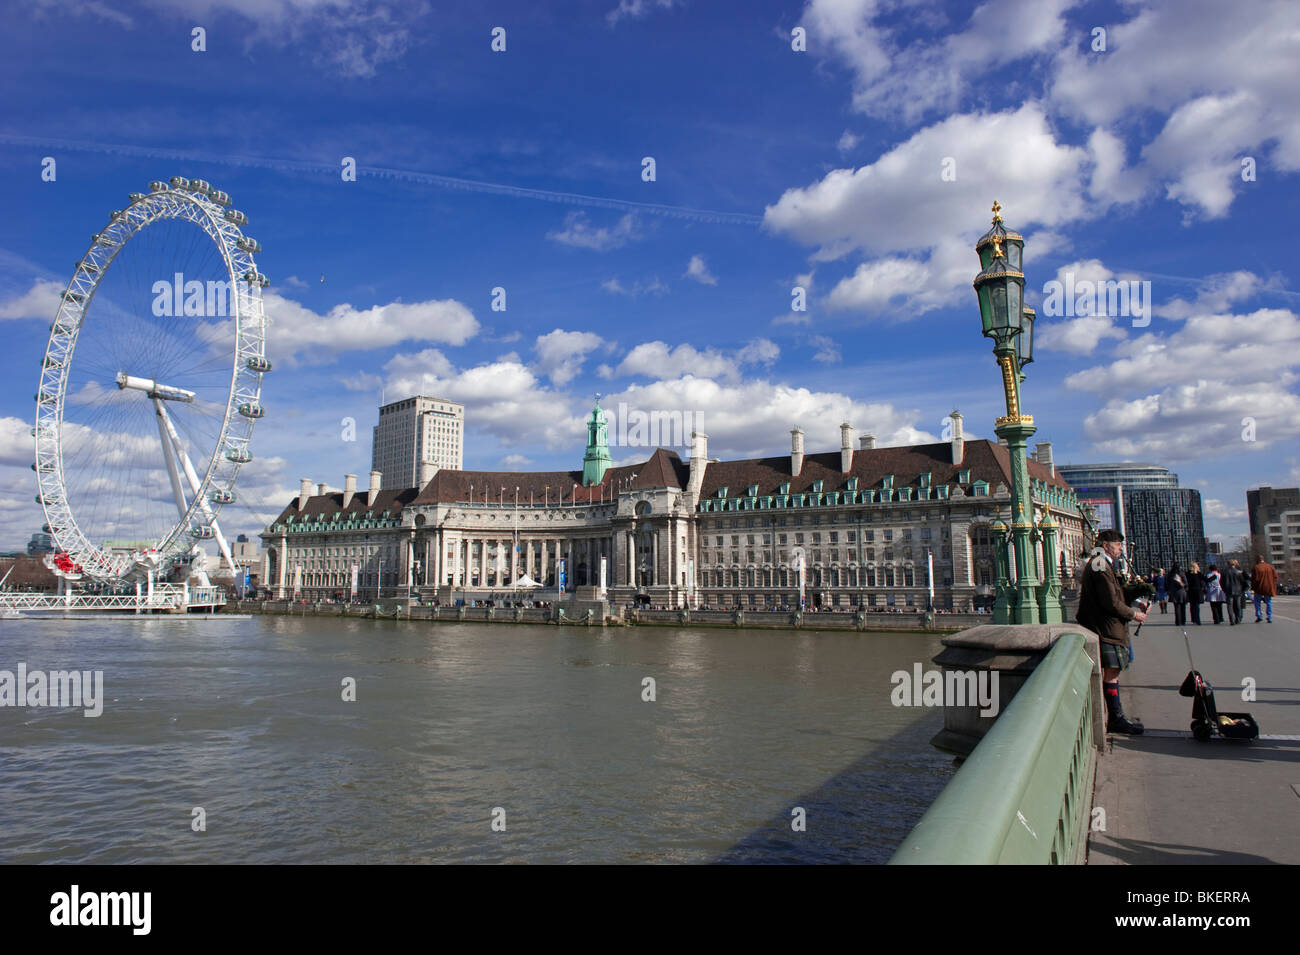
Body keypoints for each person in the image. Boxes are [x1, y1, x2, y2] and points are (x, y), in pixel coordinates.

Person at [1076, 529, 1147, 735]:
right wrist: (1134, 615)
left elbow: (1115, 592)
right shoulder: (1099, 564)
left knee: (1112, 674)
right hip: (1105, 627)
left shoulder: (1102, 562)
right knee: (1111, 673)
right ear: (1106, 545)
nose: (1121, 549)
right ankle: (1116, 718)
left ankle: (1117, 717)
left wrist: (1136, 601)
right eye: (1118, 545)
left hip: (1107, 626)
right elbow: (1110, 601)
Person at [1251, 556, 1278, 623]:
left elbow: (1253, 579)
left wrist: (1253, 587)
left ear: (1258, 560)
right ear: (1263, 560)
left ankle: (1259, 615)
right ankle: (1270, 617)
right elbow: (1275, 577)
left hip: (1259, 587)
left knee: (1257, 602)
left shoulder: (1256, 567)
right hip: (1268, 587)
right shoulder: (1270, 567)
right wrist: (1273, 585)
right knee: (1268, 602)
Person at [1222, 559, 1246, 625]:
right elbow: (1243, 582)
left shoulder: (1224, 572)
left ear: (1228, 564)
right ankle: (1237, 619)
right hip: (1238, 591)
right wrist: (1242, 589)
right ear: (1234, 564)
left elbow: (1222, 582)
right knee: (1237, 605)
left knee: (1229, 606)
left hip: (1228, 591)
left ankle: (1231, 619)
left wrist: (1224, 589)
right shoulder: (1238, 572)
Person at [1167, 562, 1188, 626]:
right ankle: (1183, 620)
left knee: (1176, 608)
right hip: (1181, 592)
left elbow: (1167, 583)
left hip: (1174, 592)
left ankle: (1178, 621)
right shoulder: (1181, 574)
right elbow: (1186, 583)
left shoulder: (1170, 574)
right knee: (1183, 607)